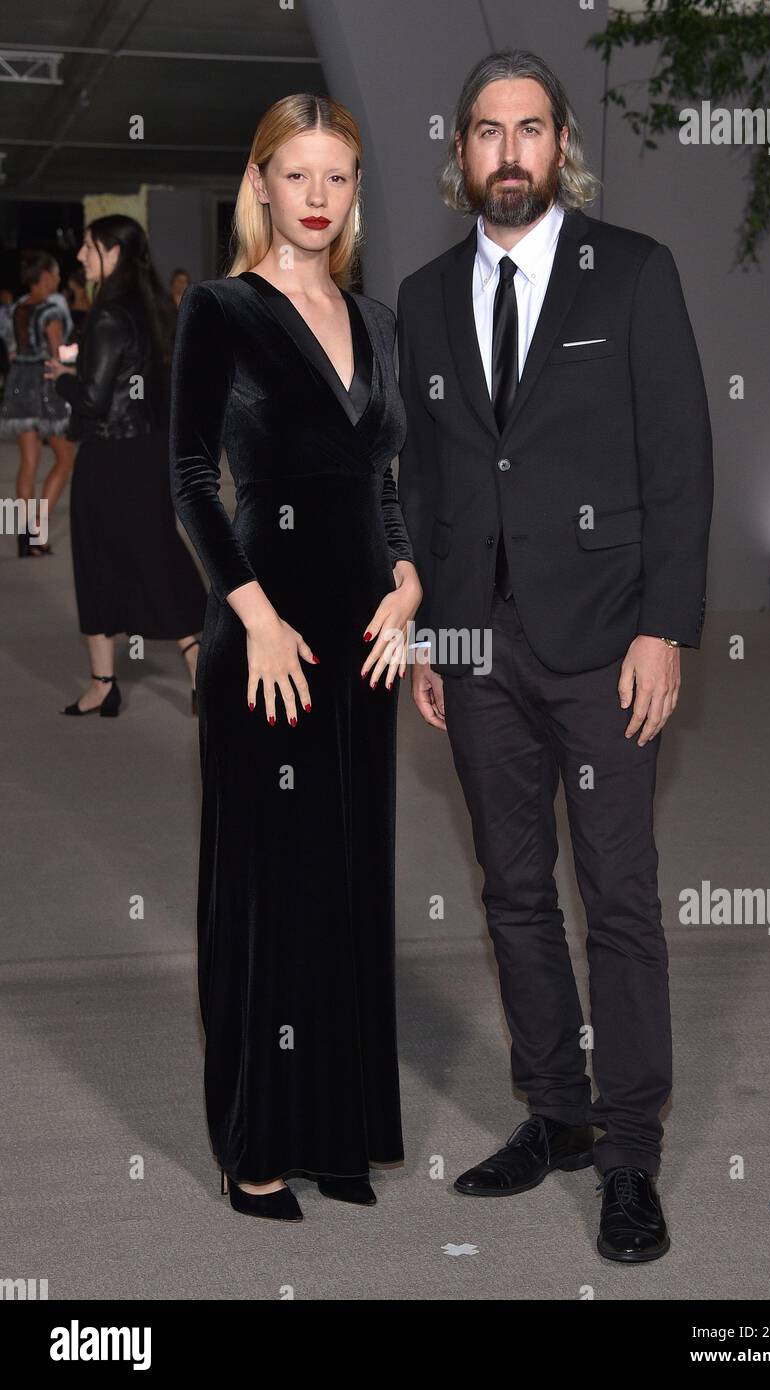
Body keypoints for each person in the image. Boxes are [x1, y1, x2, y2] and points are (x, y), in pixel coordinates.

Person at [397, 49, 713, 1263]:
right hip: (476, 639)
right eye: (487, 132)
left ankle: (627, 1153)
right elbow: (425, 478)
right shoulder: (422, 297)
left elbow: (677, 461)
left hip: (603, 642)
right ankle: (555, 1110)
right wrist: (432, 633)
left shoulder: (629, 273)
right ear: (461, 152)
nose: (509, 153)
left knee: (617, 897)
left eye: (529, 130)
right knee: (513, 890)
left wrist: (664, 628)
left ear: (560, 144)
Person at [169, 94, 422, 1221]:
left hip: (363, 641)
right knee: (266, 891)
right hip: (268, 637)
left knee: (348, 882)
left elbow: (387, 483)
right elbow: (185, 479)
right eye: (299, 176)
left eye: (338, 179)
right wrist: (253, 613)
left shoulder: (374, 320)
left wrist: (409, 580)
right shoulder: (220, 309)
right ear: (260, 181)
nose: (318, 200)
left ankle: (332, 1130)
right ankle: (253, 1137)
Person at [46, 216, 206, 716]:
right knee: (156, 553)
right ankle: (203, 670)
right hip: (150, 452)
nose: (80, 258)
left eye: (89, 248)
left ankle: (103, 683)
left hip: (110, 456)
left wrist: (62, 380)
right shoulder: (157, 306)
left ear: (112, 251)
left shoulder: (110, 313)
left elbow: (93, 402)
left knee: (96, 560)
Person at [0, 251, 76, 556]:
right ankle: (37, 532)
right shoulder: (49, 312)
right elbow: (59, 354)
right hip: (44, 384)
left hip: (19, 383)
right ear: (45, 276)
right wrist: (78, 357)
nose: (58, 279)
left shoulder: (15, 308)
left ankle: (24, 534)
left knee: (28, 464)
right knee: (65, 458)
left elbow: (11, 352)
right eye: (56, 273)